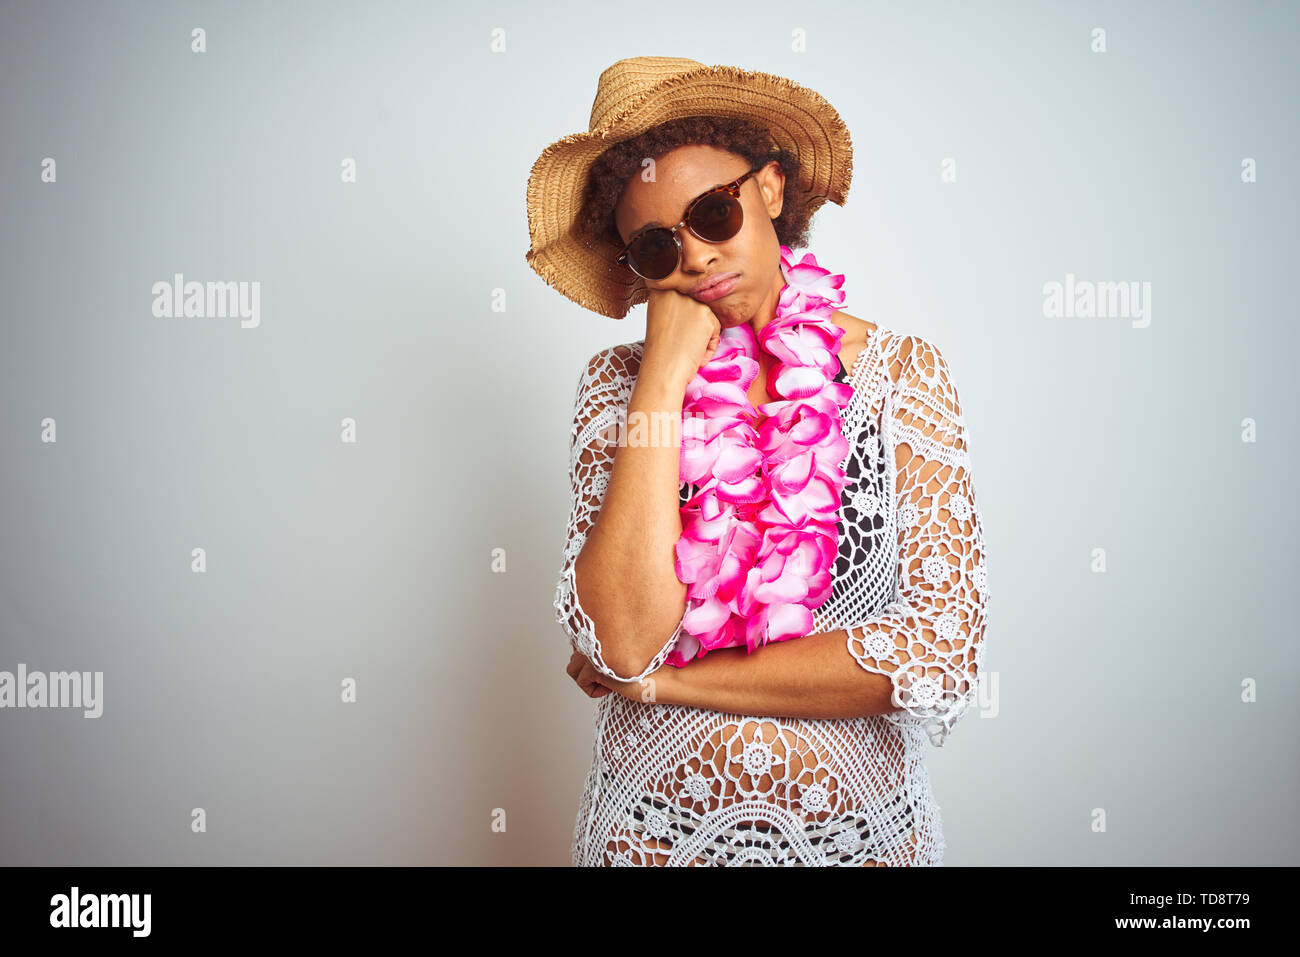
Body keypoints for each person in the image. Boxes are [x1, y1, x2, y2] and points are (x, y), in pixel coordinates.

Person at [525, 56, 991, 866]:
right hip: (651, 839)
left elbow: (935, 651)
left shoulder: (900, 377)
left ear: (770, 188)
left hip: (861, 841)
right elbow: (624, 641)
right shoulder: (616, 386)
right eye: (657, 245)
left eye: (712, 214)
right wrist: (663, 379)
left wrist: (667, 684)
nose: (697, 257)